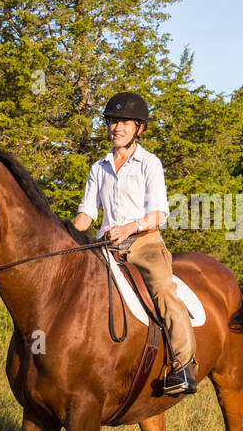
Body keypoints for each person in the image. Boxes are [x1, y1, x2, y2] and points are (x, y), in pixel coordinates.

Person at [73, 92, 198, 395]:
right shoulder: (98, 167)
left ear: (138, 128)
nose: (117, 127)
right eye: (113, 121)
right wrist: (68, 237)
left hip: (144, 244)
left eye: (125, 122)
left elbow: (159, 214)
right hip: (106, 247)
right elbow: (88, 213)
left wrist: (129, 227)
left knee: (164, 290)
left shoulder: (149, 163)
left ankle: (184, 365)